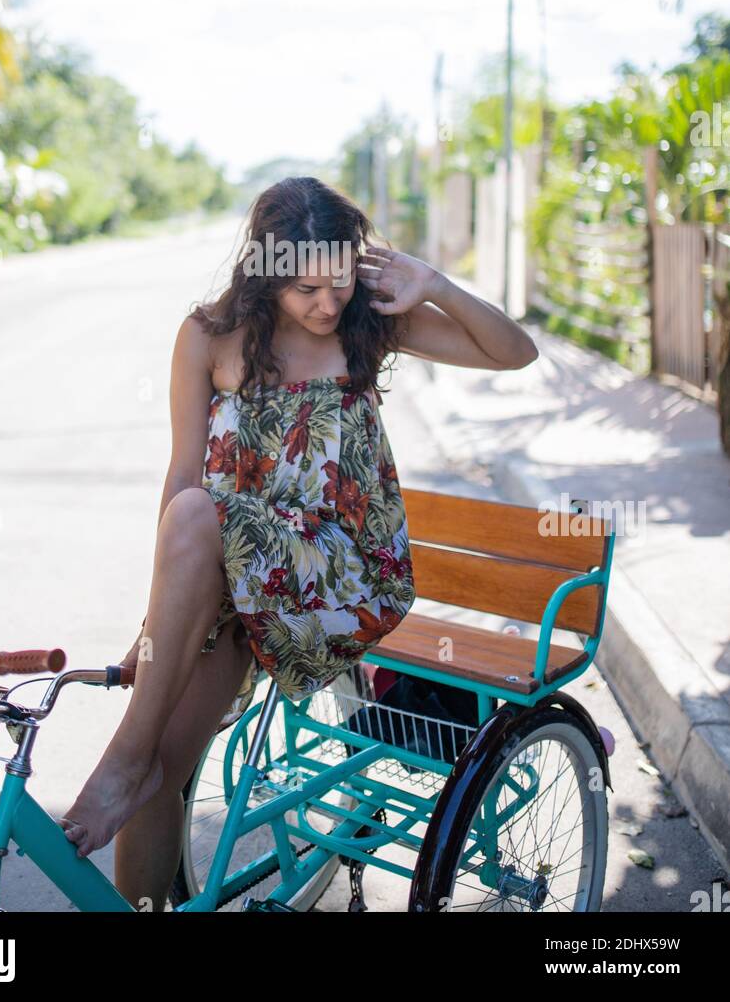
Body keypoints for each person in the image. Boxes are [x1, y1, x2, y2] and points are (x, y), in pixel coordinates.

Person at [58, 176, 539, 909]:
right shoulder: (208, 338)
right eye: (305, 288)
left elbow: (516, 353)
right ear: (265, 274)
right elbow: (182, 473)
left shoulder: (370, 322)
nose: (324, 304)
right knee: (167, 762)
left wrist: (434, 283)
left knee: (194, 516)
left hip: (341, 575)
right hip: (237, 573)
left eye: (338, 284)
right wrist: (155, 631)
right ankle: (139, 799)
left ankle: (121, 759)